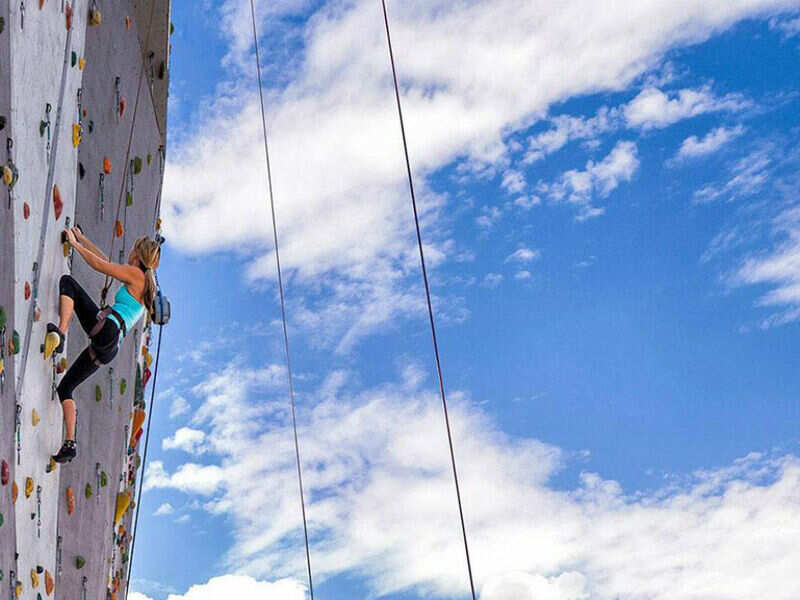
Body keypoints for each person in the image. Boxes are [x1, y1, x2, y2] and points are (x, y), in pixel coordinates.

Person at [47, 227, 161, 463]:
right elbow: (107, 263)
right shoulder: (144, 285)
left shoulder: (136, 274)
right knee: (66, 387)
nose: (130, 253)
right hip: (110, 347)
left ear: (137, 255)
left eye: (133, 250)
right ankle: (70, 443)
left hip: (107, 328)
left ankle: (61, 334)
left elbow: (100, 265)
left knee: (68, 283)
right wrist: (82, 239)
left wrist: (74, 244)